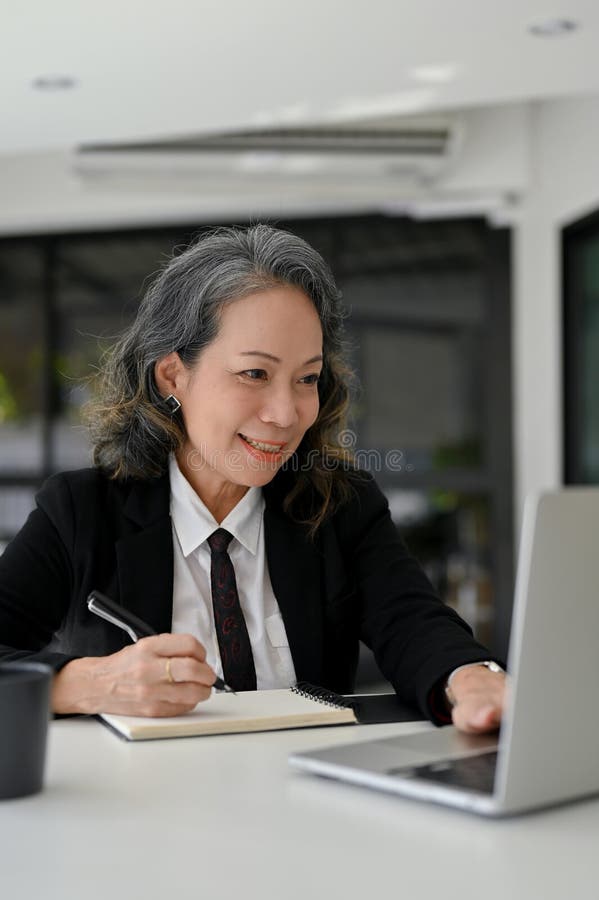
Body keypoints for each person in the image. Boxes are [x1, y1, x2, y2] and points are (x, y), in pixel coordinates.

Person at [0, 224, 505, 733]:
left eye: (307, 378)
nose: (286, 414)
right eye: (255, 374)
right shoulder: (80, 511)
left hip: (301, 797)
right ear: (172, 376)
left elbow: (412, 621)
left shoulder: (339, 504)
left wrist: (471, 678)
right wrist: (93, 682)